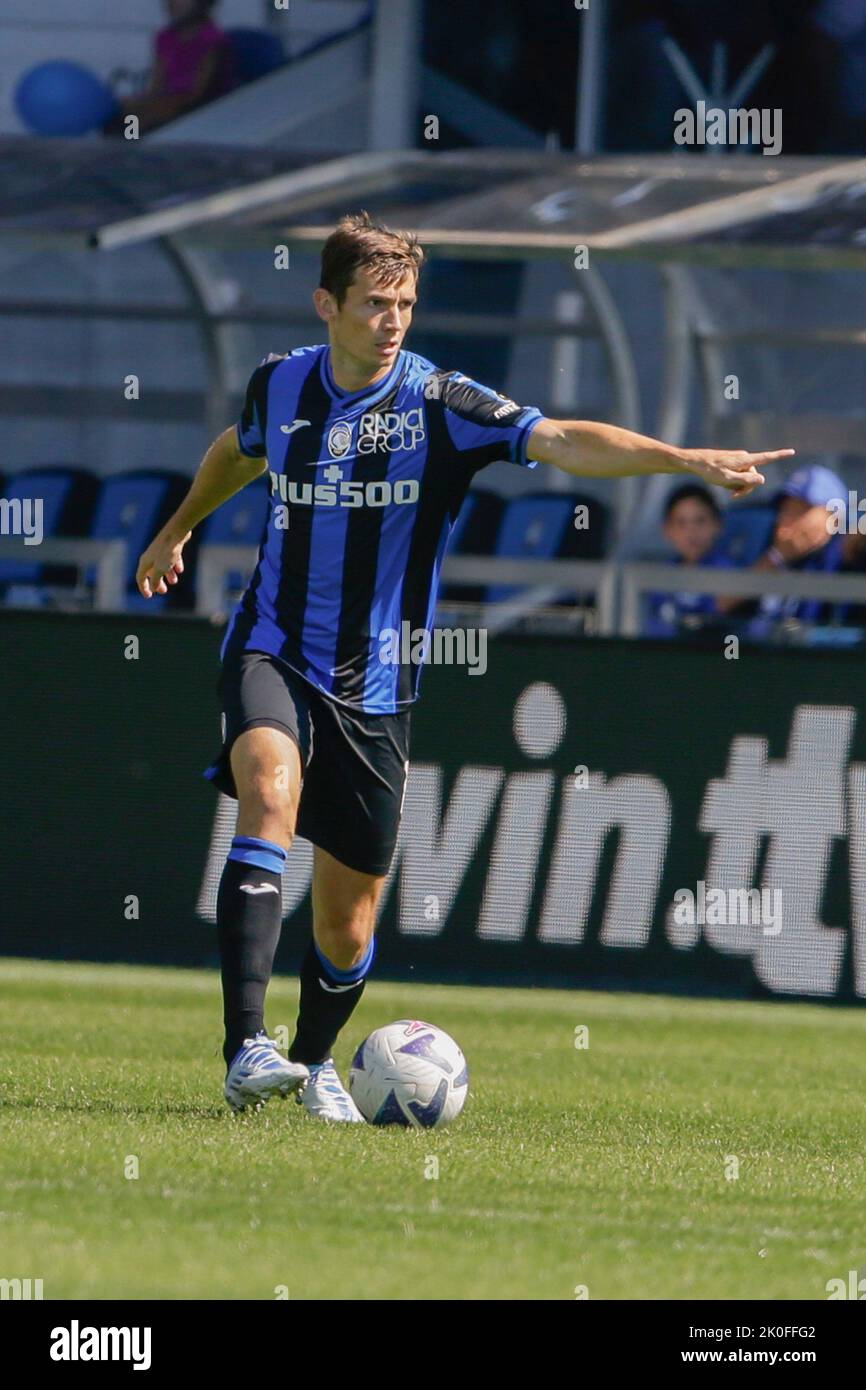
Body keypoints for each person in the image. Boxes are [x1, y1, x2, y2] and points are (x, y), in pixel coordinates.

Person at [135, 210, 793, 1121]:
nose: (392, 320)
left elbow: (560, 438)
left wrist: (682, 459)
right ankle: (248, 1045)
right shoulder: (280, 384)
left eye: (404, 302)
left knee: (346, 920)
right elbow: (238, 450)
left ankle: (315, 1059)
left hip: (377, 686)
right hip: (273, 645)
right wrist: (178, 526)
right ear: (326, 304)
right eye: (373, 304)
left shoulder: (440, 403)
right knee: (269, 787)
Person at [716, 464, 847, 637]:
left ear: (834, 519)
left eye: (801, 510)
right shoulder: (765, 547)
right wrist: (777, 557)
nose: (787, 520)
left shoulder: (843, 556)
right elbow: (721, 604)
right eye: (785, 510)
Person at [105, 0, 233, 137]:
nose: (172, 3)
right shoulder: (165, 38)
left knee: (139, 126)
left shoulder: (213, 40)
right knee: (117, 121)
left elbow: (197, 96)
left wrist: (153, 107)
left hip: (198, 115)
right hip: (163, 106)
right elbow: (156, 88)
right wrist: (136, 103)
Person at [645, 483, 735, 636]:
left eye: (700, 521)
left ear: (718, 524)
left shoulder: (732, 573)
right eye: (681, 523)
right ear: (667, 530)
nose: (691, 531)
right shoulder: (661, 576)